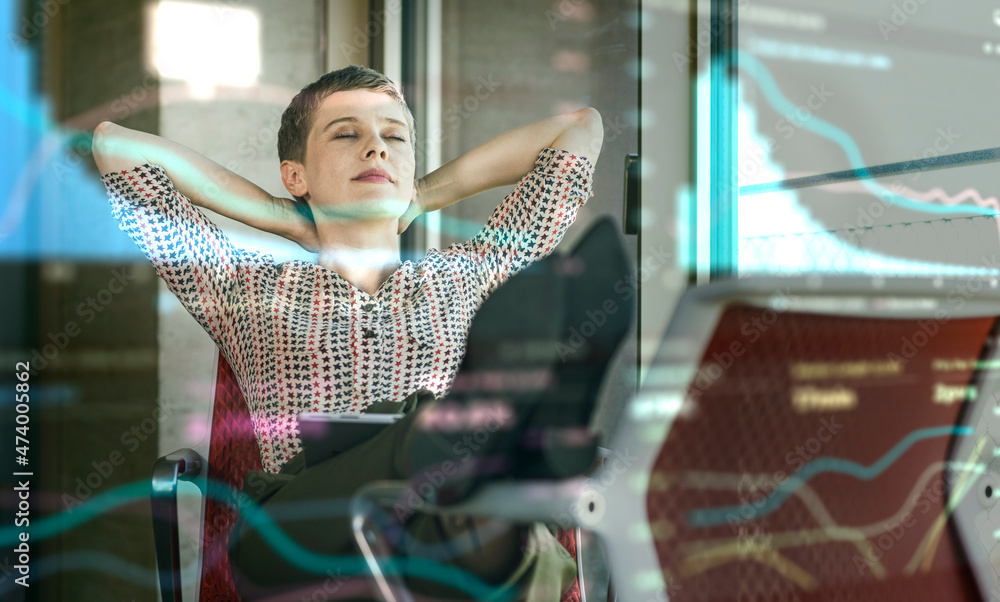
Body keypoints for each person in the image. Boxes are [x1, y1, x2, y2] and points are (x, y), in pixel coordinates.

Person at [92, 65, 604, 600]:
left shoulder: (473, 275)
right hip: (305, 540)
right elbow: (115, 147)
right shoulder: (238, 285)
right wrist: (276, 214)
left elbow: (579, 132)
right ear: (296, 175)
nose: (376, 149)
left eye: (394, 137)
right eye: (346, 133)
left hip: (441, 537)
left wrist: (422, 194)